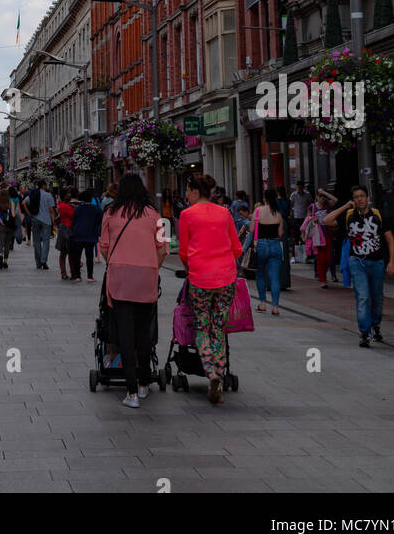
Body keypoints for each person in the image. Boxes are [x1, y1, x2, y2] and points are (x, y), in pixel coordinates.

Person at [98, 173, 168, 408]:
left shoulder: (110, 214)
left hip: (120, 278)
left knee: (125, 335)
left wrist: (116, 262)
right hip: (146, 277)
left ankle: (131, 393)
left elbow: (104, 246)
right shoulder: (155, 215)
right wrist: (152, 268)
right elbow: (163, 247)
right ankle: (144, 384)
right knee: (144, 333)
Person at [178, 172, 242, 404]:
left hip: (200, 278)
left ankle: (211, 372)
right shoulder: (224, 213)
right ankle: (220, 372)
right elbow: (236, 248)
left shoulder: (187, 215)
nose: (186, 195)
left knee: (202, 327)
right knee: (219, 327)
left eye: (187, 191)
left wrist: (190, 267)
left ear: (195, 191)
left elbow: (183, 250)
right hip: (226, 277)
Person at [324, 185, 394, 347]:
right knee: (362, 297)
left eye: (362, 196)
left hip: (377, 262)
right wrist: (345, 206)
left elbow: (390, 239)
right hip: (357, 262)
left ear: (368, 198)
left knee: (377, 297)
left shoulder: (378, 215)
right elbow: (326, 220)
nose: (360, 199)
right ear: (353, 200)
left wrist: (391, 261)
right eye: (356, 197)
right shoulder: (349, 216)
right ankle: (365, 332)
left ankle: (375, 324)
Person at [248, 188, 284, 315]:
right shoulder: (278, 213)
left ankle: (262, 303)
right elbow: (280, 233)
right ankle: (275, 306)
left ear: (265, 198)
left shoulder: (258, 211)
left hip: (261, 245)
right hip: (275, 245)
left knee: (260, 274)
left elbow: (252, 230)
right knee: (274, 277)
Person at [301, 190, 336, 288]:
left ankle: (324, 274)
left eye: (324, 196)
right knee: (321, 259)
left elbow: (335, 200)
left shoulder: (327, 205)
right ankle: (323, 279)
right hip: (317, 236)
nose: (322, 198)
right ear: (316, 197)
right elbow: (307, 221)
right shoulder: (312, 207)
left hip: (328, 234)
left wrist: (324, 192)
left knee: (329, 258)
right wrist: (313, 219)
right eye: (320, 196)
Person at [70, 189, 103, 281]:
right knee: (89, 256)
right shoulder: (95, 209)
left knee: (77, 256)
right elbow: (101, 217)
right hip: (90, 234)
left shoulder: (78, 208)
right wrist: (95, 224)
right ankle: (90, 276)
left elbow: (74, 220)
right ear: (90, 198)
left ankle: (77, 276)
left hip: (78, 234)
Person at [28, 180, 56, 271]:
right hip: (46, 221)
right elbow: (51, 210)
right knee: (46, 241)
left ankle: (38, 263)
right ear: (44, 186)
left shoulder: (33, 194)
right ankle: (44, 259)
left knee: (36, 241)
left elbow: (24, 203)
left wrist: (29, 214)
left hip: (35, 219)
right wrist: (54, 223)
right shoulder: (48, 195)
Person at [0, 187, 17, 270]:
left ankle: (0, 255)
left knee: (0, 243)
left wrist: (0, 220)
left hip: (1, 225)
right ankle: (5, 262)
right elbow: (13, 215)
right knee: (7, 244)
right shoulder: (11, 203)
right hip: (10, 226)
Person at [55, 186, 76, 280]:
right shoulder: (66, 206)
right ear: (64, 195)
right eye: (68, 193)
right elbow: (73, 216)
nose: (70, 195)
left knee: (63, 253)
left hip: (62, 228)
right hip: (68, 229)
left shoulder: (60, 205)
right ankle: (72, 272)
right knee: (70, 252)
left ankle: (63, 273)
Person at [291, 181, 312, 247]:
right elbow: (291, 204)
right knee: (296, 234)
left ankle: (305, 247)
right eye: (298, 187)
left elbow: (310, 203)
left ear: (303, 187)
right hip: (296, 216)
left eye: (301, 187)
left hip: (305, 217)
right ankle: (297, 248)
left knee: (305, 233)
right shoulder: (293, 195)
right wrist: (291, 212)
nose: (299, 189)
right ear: (296, 187)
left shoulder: (307, 194)